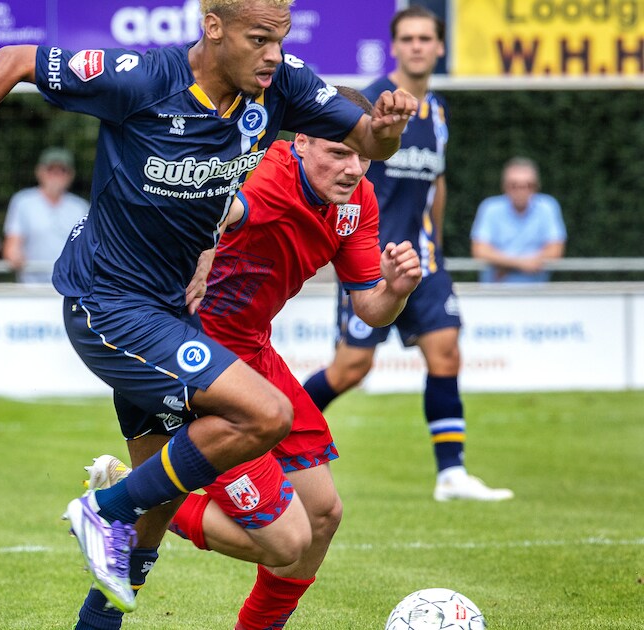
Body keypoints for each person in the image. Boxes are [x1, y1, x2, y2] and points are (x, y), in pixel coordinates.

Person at [0, 0, 417, 615]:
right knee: (265, 416)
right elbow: (15, 58)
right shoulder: (144, 80)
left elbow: (368, 141)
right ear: (214, 28)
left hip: (169, 317)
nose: (274, 56)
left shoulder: (282, 86)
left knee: (136, 555)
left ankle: (112, 557)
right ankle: (104, 508)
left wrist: (387, 128)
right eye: (260, 40)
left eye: (280, 40)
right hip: (109, 307)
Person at [85, 87, 423, 630]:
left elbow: (371, 309)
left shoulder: (357, 201)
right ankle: (137, 489)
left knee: (324, 514)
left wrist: (399, 289)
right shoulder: (260, 172)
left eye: (361, 155)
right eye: (338, 152)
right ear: (303, 139)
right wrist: (202, 243)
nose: (353, 168)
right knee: (286, 541)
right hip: (193, 352)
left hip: (254, 352)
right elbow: (204, 201)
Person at [301, 6, 514, 503]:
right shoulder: (368, 103)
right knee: (351, 369)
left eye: (426, 39)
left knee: (446, 353)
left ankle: (451, 474)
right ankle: (274, 434)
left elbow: (436, 183)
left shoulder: (437, 111)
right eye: (408, 38)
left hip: (425, 262)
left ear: (439, 48)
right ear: (395, 46)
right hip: (371, 261)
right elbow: (339, 178)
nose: (418, 46)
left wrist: (434, 246)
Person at [470, 157, 566, 284]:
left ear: (536, 187)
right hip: (494, 296)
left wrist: (505, 265)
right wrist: (523, 264)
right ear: (504, 186)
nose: (521, 191)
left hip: (538, 296)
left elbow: (555, 250)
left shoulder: (547, 207)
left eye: (528, 185)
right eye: (514, 185)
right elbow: (480, 251)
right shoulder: (490, 207)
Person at [2, 147, 89, 284]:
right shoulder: (23, 202)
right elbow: (12, 245)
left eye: (62, 171)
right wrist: (14, 255)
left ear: (71, 175)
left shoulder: (80, 207)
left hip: (69, 287)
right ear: (39, 172)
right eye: (51, 170)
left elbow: (86, 249)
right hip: (32, 288)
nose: (56, 175)